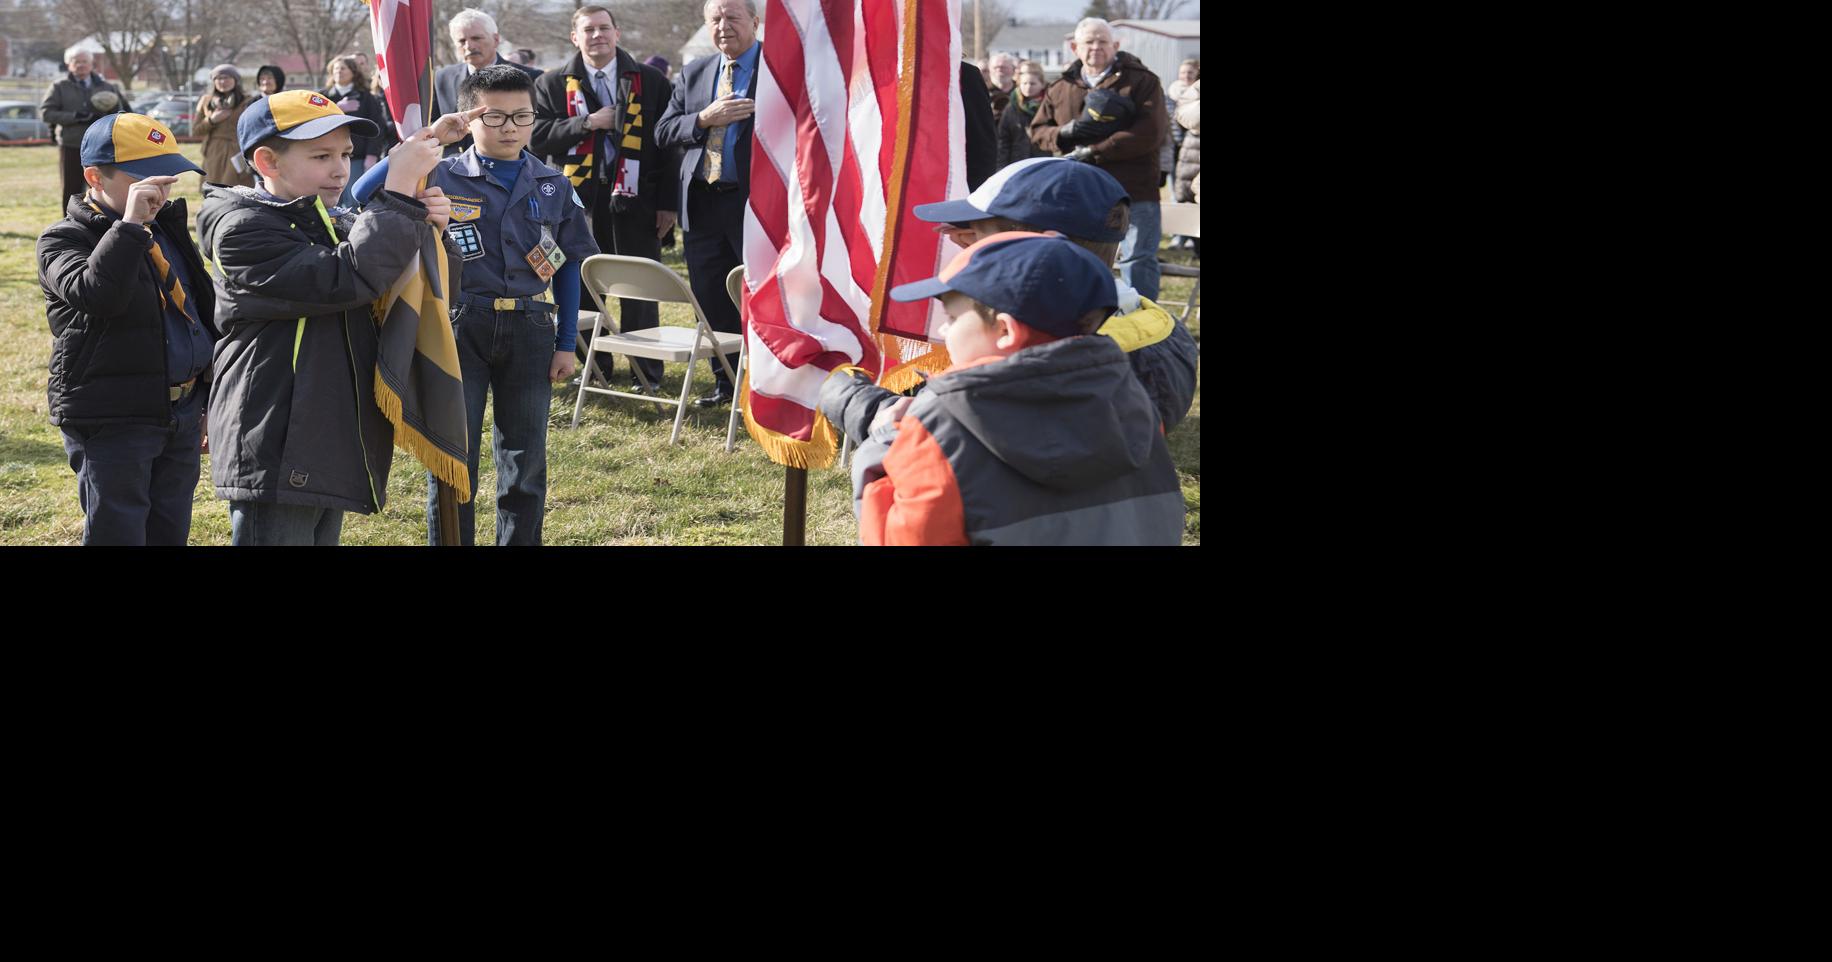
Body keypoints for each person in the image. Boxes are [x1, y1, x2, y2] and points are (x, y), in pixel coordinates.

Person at [353, 66, 599, 545]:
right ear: (469, 119)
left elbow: (569, 267)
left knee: (525, 462)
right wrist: (428, 138)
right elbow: (359, 195)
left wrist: (566, 342)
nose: (510, 127)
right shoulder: (437, 173)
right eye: (495, 117)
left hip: (530, 325)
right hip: (458, 324)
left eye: (521, 116)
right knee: (451, 456)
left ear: (534, 117)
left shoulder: (554, 184)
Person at [198, 90, 452, 545]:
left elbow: (413, 285)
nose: (340, 169)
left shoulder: (330, 218)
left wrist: (432, 231)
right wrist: (396, 196)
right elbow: (347, 276)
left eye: (346, 154)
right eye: (321, 156)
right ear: (267, 162)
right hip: (276, 433)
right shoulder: (242, 229)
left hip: (321, 432)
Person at [817, 232, 1184, 545]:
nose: (944, 332)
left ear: (1006, 330)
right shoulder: (1135, 401)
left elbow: (899, 534)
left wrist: (880, 446)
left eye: (953, 318)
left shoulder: (941, 427)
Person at [913, 157, 1196, 434]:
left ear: (1045, 246)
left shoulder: (1041, 360)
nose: (963, 240)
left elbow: (943, 421)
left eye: (978, 233)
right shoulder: (1160, 331)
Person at [39, 114, 218, 545]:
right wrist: (129, 226)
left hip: (179, 408)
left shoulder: (167, 231)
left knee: (169, 529)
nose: (159, 192)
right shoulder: (63, 240)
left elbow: (198, 312)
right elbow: (98, 295)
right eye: (144, 180)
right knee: (117, 530)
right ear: (94, 177)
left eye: (169, 180)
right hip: (113, 416)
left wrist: (207, 396)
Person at [532, 4, 678, 397]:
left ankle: (647, 373)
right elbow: (538, 136)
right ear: (574, 37)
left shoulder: (649, 80)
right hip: (577, 202)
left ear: (617, 33)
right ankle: (595, 369)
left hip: (637, 198)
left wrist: (668, 203)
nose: (597, 36)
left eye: (603, 28)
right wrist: (588, 122)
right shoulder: (550, 83)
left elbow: (667, 147)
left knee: (638, 288)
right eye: (588, 30)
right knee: (579, 286)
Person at [654, 0, 760, 408]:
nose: (723, 25)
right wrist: (704, 119)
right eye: (714, 18)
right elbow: (664, 131)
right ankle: (726, 382)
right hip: (700, 204)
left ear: (754, 21)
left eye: (732, 17)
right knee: (712, 299)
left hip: (755, 206)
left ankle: (764, 384)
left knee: (757, 297)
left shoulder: (779, 69)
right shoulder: (696, 71)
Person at [1028, 17, 1167, 301]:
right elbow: (1038, 131)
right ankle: (1082, 320)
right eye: (1089, 41)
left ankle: (1145, 327)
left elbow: (1150, 133)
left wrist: (1096, 150)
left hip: (1133, 189)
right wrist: (1064, 132)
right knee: (1077, 256)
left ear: (1115, 45)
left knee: (1137, 259)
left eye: (1103, 41)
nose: (1096, 47)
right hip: (1078, 190)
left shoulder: (1142, 81)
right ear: (1074, 46)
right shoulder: (1060, 87)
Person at [433, 9, 544, 156]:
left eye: (476, 38)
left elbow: (540, 130)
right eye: (462, 41)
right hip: (455, 171)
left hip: (516, 168)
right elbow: (433, 124)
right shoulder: (442, 78)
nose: (469, 46)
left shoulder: (532, 77)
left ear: (496, 40)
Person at [41, 48, 127, 207]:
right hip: (72, 144)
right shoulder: (59, 86)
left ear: (91, 64)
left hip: (100, 146)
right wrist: (76, 117)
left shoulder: (107, 87)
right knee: (71, 187)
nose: (80, 65)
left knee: (101, 187)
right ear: (68, 64)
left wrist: (104, 118)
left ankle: (102, 221)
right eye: (76, 61)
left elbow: (121, 114)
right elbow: (46, 113)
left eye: (84, 61)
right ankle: (69, 226)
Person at [321, 54, 393, 206]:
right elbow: (314, 121)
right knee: (330, 201)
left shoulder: (366, 97)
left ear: (353, 72)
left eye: (343, 68)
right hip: (327, 157)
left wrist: (372, 155)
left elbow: (376, 127)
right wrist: (337, 108)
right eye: (335, 69)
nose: (338, 72)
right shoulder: (323, 97)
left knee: (353, 201)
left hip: (357, 158)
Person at [191, 65, 256, 188]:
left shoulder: (247, 101)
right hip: (213, 152)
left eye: (226, 77)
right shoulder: (206, 100)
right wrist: (212, 120)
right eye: (218, 78)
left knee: (235, 190)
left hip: (237, 152)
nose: (222, 81)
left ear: (236, 80)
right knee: (213, 189)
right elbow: (196, 131)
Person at [995, 60, 1048, 170]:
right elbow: (1003, 141)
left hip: (1044, 163)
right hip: (1017, 164)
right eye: (1024, 83)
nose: (1028, 87)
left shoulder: (1049, 105)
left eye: (1032, 83)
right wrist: (1001, 169)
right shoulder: (1011, 108)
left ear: (1042, 84)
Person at [984, 51, 1016, 123]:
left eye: (1003, 67)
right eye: (995, 67)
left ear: (1013, 69)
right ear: (989, 70)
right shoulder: (982, 90)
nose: (999, 70)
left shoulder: (1022, 90)